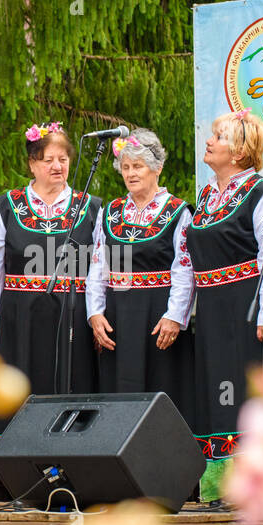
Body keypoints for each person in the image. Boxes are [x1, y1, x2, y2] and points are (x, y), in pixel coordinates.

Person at [186, 108, 263, 501]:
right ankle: (216, 488)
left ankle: (254, 488)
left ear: (242, 151)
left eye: (221, 137)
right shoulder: (208, 195)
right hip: (211, 307)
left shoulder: (262, 193)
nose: (209, 142)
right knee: (215, 389)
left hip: (245, 306)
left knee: (241, 392)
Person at [85, 128, 195, 425]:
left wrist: (174, 316)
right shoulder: (110, 212)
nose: (131, 174)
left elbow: (184, 268)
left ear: (157, 168)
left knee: (161, 390)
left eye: (138, 166)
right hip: (117, 317)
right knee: (119, 395)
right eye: (125, 167)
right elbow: (98, 265)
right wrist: (94, 313)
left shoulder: (177, 211)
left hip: (157, 317)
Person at [0, 122, 102, 404]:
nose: (57, 166)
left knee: (72, 379)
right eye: (48, 160)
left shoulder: (90, 206)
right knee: (22, 381)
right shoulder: (8, 205)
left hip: (72, 311)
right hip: (20, 314)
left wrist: (97, 312)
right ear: (32, 164)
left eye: (63, 160)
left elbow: (100, 266)